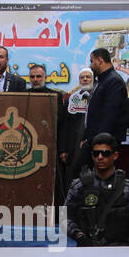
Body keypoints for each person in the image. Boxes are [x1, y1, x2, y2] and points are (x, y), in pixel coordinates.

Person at [69, 49, 128, 180]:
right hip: (94, 140)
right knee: (82, 178)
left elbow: (110, 116)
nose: (90, 65)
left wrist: (98, 142)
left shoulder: (114, 81)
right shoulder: (102, 81)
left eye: (92, 61)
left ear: (100, 60)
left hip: (103, 144)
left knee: (89, 177)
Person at [56, 68, 92, 202]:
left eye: (88, 77)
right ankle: (67, 217)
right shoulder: (73, 98)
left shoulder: (97, 97)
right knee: (70, 182)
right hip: (73, 149)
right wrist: (64, 149)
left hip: (91, 148)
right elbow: (65, 125)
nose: (85, 80)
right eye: (82, 77)